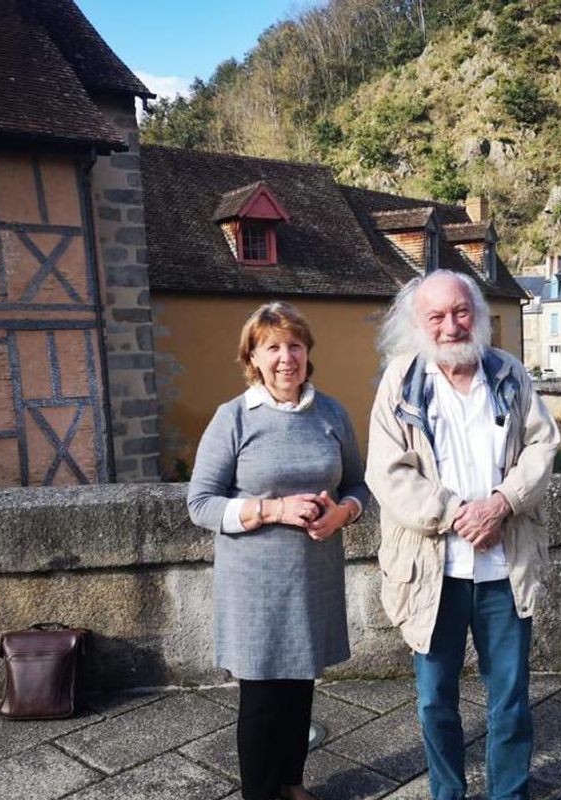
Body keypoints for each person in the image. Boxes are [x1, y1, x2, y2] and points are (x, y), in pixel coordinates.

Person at [366, 270, 560, 800]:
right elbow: (387, 473)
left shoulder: (509, 373)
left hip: (505, 567)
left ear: (476, 313)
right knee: (434, 700)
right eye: (436, 316)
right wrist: (457, 513)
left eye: (461, 311)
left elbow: (542, 448)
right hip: (434, 572)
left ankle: (509, 794)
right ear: (418, 324)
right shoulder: (401, 382)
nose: (451, 325)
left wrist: (501, 503)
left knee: (511, 701)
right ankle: (447, 795)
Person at [187, 302, 369, 800]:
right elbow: (199, 504)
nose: (286, 357)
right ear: (253, 357)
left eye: (295, 345)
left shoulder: (331, 413)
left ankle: (291, 783)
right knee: (263, 701)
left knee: (299, 689)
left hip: (313, 576)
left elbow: (359, 484)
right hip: (254, 586)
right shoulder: (234, 419)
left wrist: (343, 514)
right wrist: (271, 511)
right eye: (272, 347)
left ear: (308, 353)